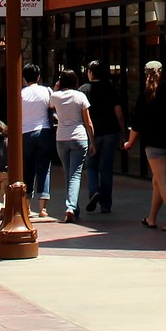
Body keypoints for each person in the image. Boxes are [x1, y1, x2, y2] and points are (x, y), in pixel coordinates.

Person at [127, 60, 166, 231]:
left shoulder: (144, 97)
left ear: (146, 74)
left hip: (154, 145)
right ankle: (151, 218)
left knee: (162, 180)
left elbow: (136, 124)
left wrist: (129, 142)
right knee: (157, 181)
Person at [49, 69, 94, 223]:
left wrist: (55, 88)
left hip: (61, 137)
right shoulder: (80, 96)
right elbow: (88, 122)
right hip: (79, 137)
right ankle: (71, 206)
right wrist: (92, 141)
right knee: (75, 174)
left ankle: (74, 207)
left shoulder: (55, 96)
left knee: (68, 173)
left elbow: (50, 105)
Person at [82, 60, 123, 214]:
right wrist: (123, 133)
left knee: (91, 165)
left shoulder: (83, 90)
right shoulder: (111, 88)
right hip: (110, 132)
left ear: (91, 72)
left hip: (92, 134)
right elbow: (119, 113)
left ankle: (94, 191)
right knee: (106, 168)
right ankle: (106, 204)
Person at [19, 63, 55, 221]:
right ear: (38, 76)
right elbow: (53, 107)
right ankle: (43, 208)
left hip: (25, 133)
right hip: (44, 131)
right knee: (44, 168)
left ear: (23, 77)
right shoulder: (46, 91)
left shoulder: (20, 94)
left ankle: (27, 206)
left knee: (27, 169)